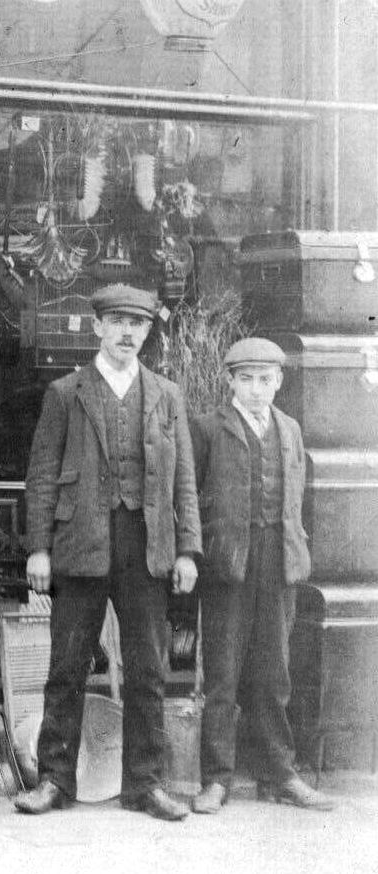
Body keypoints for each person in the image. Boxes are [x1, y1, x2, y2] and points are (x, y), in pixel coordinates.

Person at [14, 283, 202, 822]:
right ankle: (54, 780)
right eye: (116, 321)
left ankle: (145, 784)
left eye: (137, 324)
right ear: (96, 327)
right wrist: (38, 549)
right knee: (67, 666)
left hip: (147, 549)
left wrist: (187, 550)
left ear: (148, 331)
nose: (126, 332)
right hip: (81, 546)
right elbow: (42, 476)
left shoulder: (167, 394)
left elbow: (184, 479)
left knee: (148, 669)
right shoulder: (66, 393)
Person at [188, 338, 333, 814]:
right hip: (228, 562)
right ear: (230, 380)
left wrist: (295, 544)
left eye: (265, 380)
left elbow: (298, 497)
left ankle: (278, 774)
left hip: (279, 561)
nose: (255, 389)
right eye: (246, 379)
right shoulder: (208, 428)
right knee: (224, 674)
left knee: (275, 673)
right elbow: (188, 497)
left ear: (279, 382)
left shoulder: (290, 429)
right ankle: (216, 779)